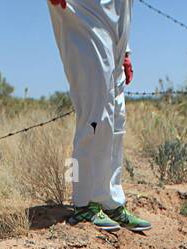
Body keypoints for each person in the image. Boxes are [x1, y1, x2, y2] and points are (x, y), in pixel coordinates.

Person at [48, 0, 151, 232]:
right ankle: (84, 203)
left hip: (115, 26)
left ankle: (110, 201)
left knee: (116, 117)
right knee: (95, 115)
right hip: (84, 15)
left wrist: (126, 50)